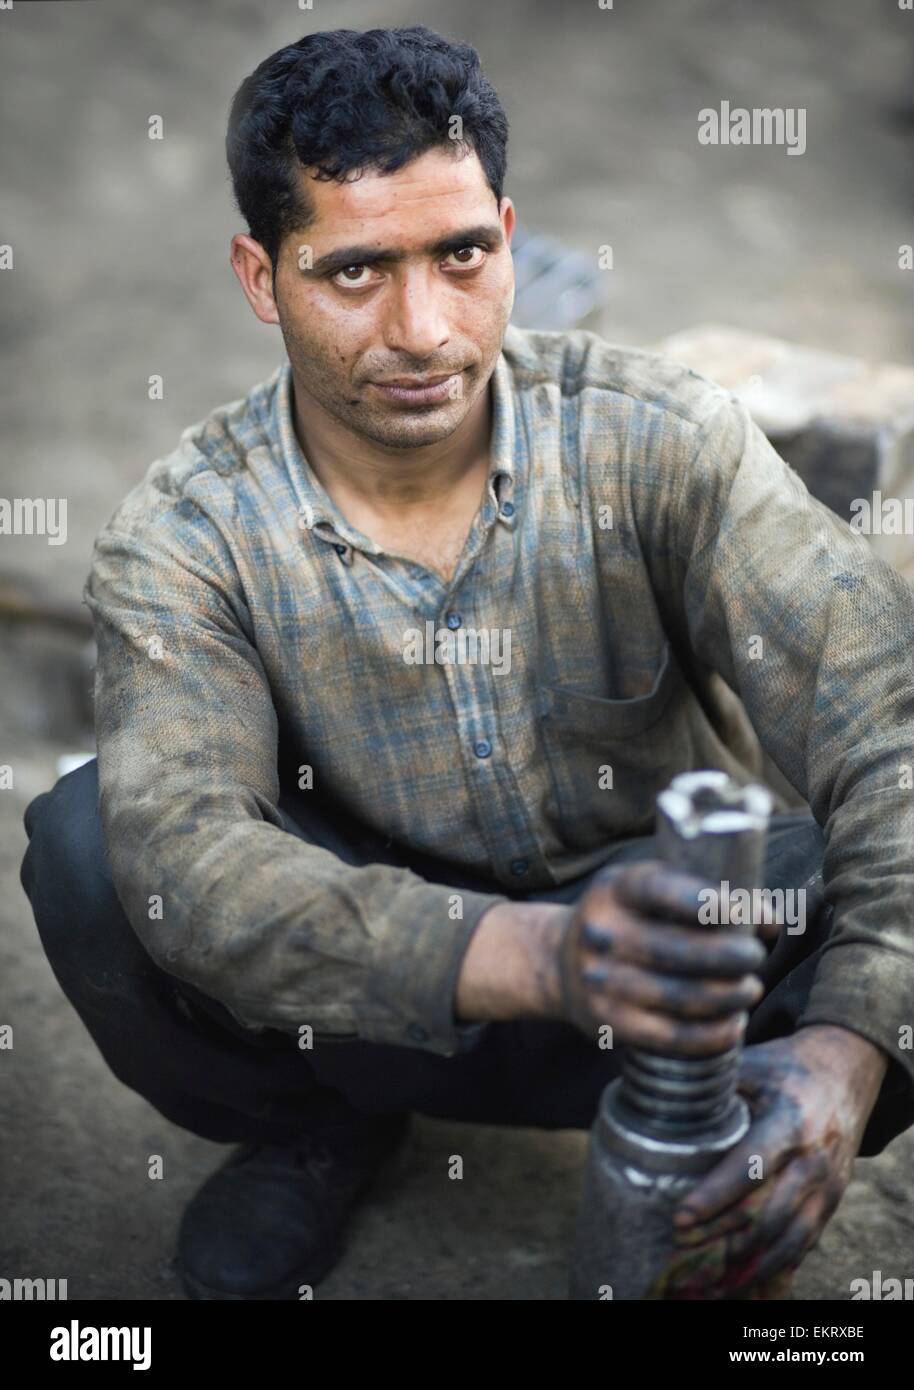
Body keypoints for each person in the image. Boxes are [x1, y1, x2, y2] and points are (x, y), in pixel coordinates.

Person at [21, 25, 914, 1301]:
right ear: (259, 276)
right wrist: (541, 955)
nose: (423, 328)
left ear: (506, 229)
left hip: (677, 974)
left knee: (872, 861)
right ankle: (313, 1125)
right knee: (92, 854)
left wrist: (841, 1052)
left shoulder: (660, 444)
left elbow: (889, 726)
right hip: (368, 1001)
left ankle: (727, 1139)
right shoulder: (183, 540)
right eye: (353, 271)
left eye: (460, 255)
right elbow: (192, 859)